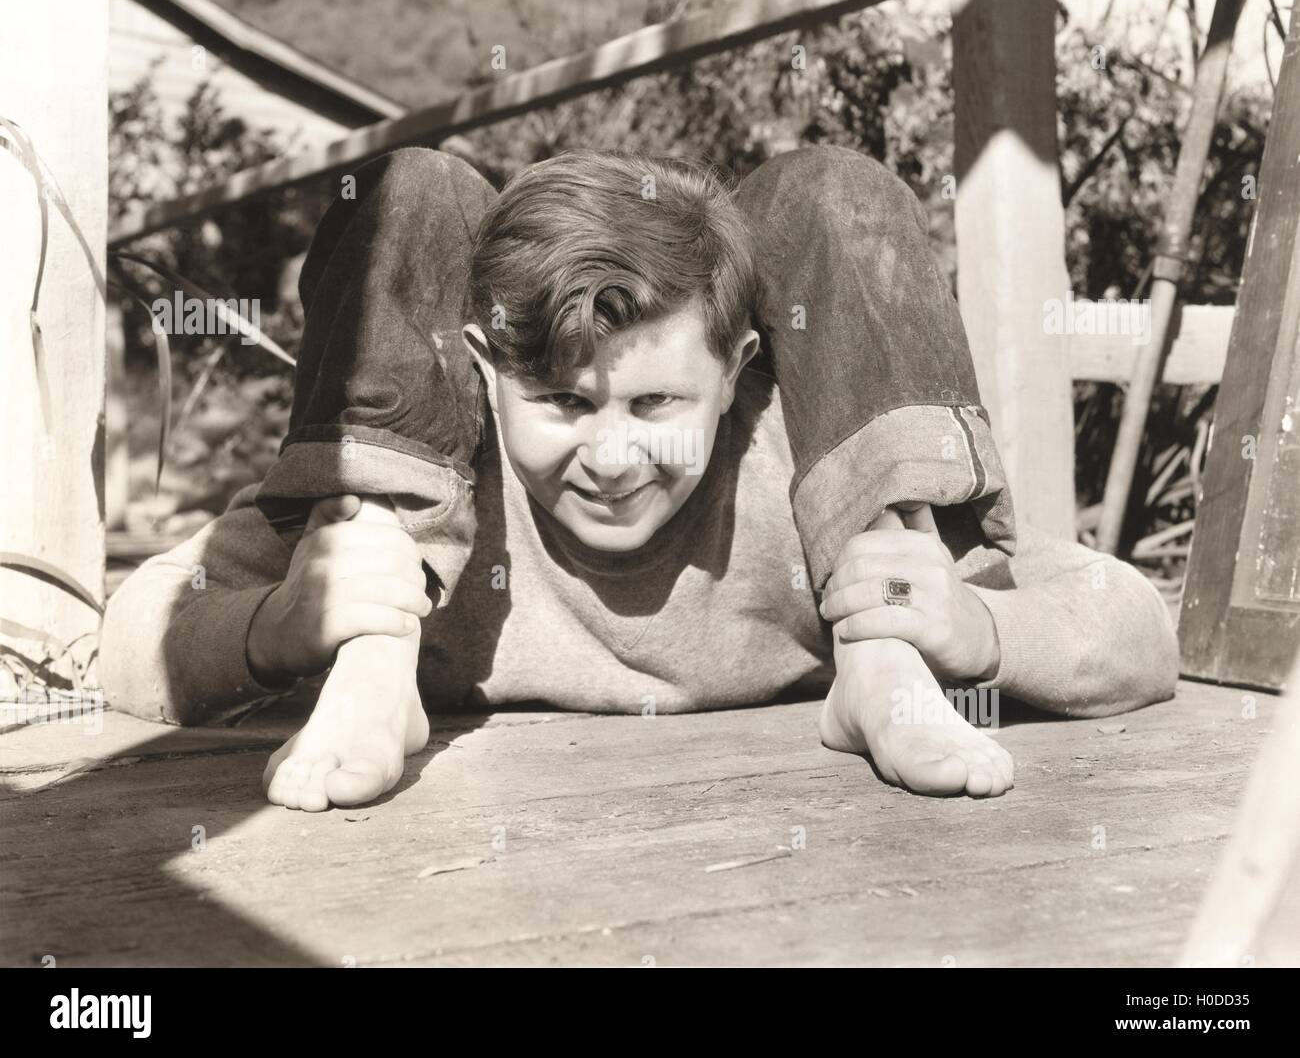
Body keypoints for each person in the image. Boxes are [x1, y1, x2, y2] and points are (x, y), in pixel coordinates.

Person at [100, 145, 1178, 811]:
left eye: (656, 404)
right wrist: (282, 627)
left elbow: (1133, 626)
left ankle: (881, 667)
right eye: (563, 403)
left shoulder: (804, 467)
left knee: (831, 193)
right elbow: (131, 631)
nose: (612, 458)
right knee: (412, 191)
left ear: (735, 375)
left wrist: (974, 630)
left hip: (872, 610)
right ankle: (374, 664)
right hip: (387, 569)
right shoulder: (437, 452)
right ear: (484, 371)